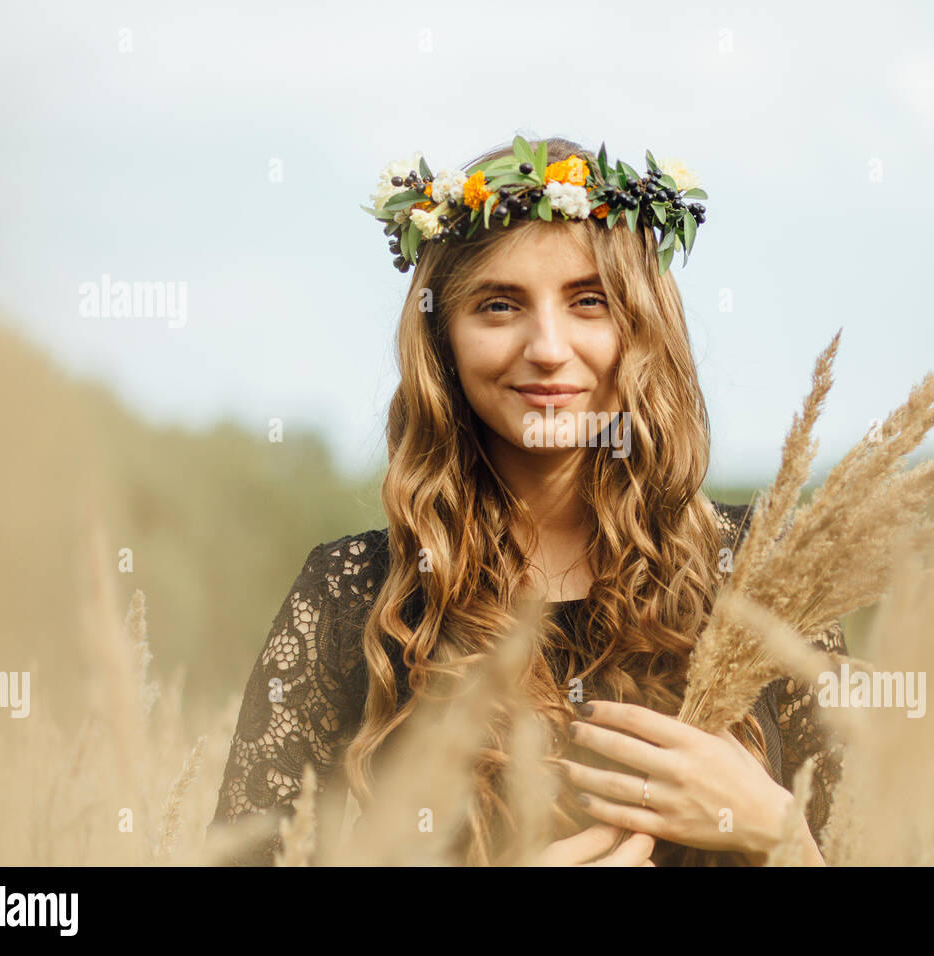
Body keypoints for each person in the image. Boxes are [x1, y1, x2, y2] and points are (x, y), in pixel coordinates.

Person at [207, 135, 849, 866]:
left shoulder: (762, 572)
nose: (548, 347)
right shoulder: (354, 595)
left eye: (588, 302)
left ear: (643, 327)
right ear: (442, 339)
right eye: (499, 305)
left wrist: (777, 829)